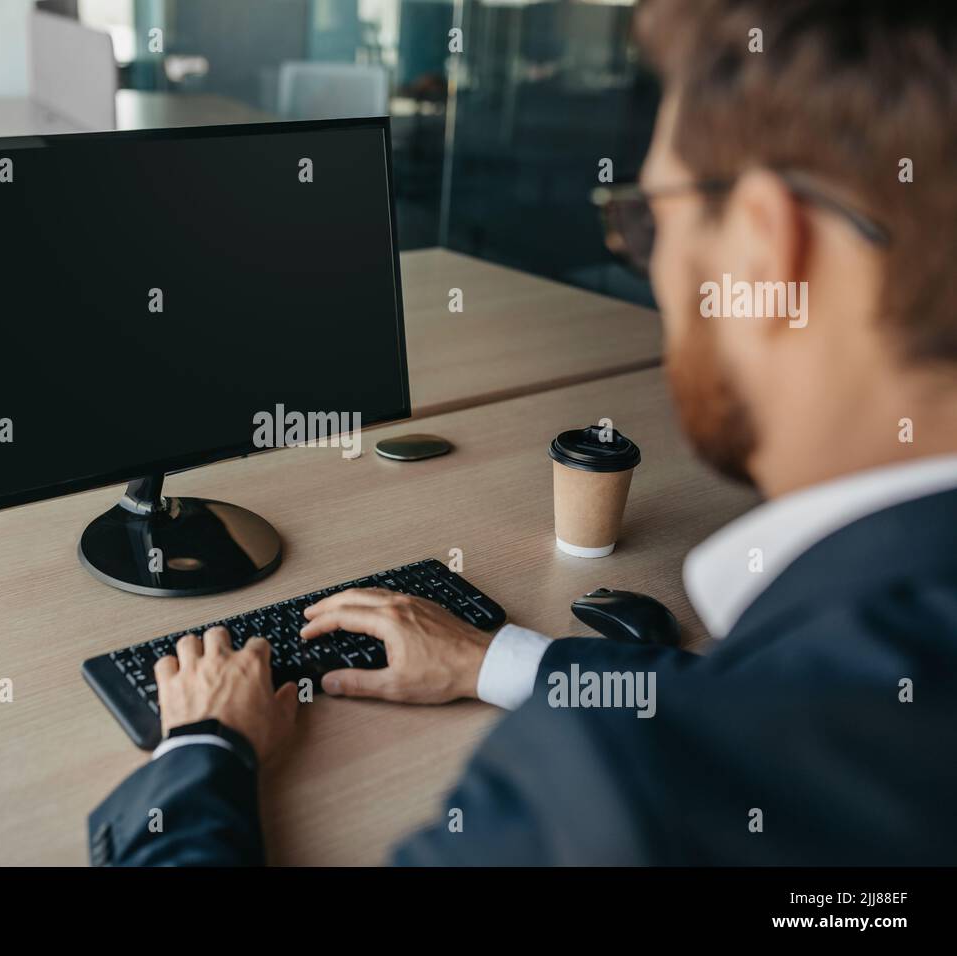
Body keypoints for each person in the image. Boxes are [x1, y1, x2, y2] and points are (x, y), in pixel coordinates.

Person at [88, 0, 957, 865]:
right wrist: (500, 661)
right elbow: (784, 707)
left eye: (647, 224)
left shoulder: (637, 794)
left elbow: (742, 733)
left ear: (768, 253)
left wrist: (201, 749)